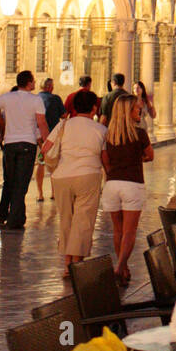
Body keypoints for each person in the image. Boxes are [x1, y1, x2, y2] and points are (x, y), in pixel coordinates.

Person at [45, 87, 107, 278]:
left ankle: (66, 265)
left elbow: (46, 148)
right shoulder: (101, 129)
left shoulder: (63, 126)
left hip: (62, 177)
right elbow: (105, 158)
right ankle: (76, 264)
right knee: (83, 221)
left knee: (66, 220)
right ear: (94, 109)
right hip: (88, 175)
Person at [0, 71, 49, 230]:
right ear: (29, 83)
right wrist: (46, 144)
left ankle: (6, 215)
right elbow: (39, 125)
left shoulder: (8, 99)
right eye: (33, 80)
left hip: (10, 145)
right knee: (21, 183)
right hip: (27, 144)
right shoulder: (35, 100)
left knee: (10, 181)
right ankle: (15, 219)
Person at [101, 94, 153, 283]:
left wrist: (113, 169)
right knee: (129, 231)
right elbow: (150, 155)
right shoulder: (139, 133)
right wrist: (136, 159)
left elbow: (104, 159)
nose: (139, 110)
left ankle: (123, 270)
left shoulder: (108, 134)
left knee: (118, 230)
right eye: (136, 108)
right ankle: (120, 267)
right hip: (133, 183)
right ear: (128, 112)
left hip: (112, 184)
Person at [34, 77, 65, 202]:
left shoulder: (35, 99)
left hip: (39, 137)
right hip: (53, 137)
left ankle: (40, 193)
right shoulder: (55, 99)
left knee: (40, 163)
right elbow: (63, 115)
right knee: (54, 164)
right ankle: (53, 192)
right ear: (50, 87)